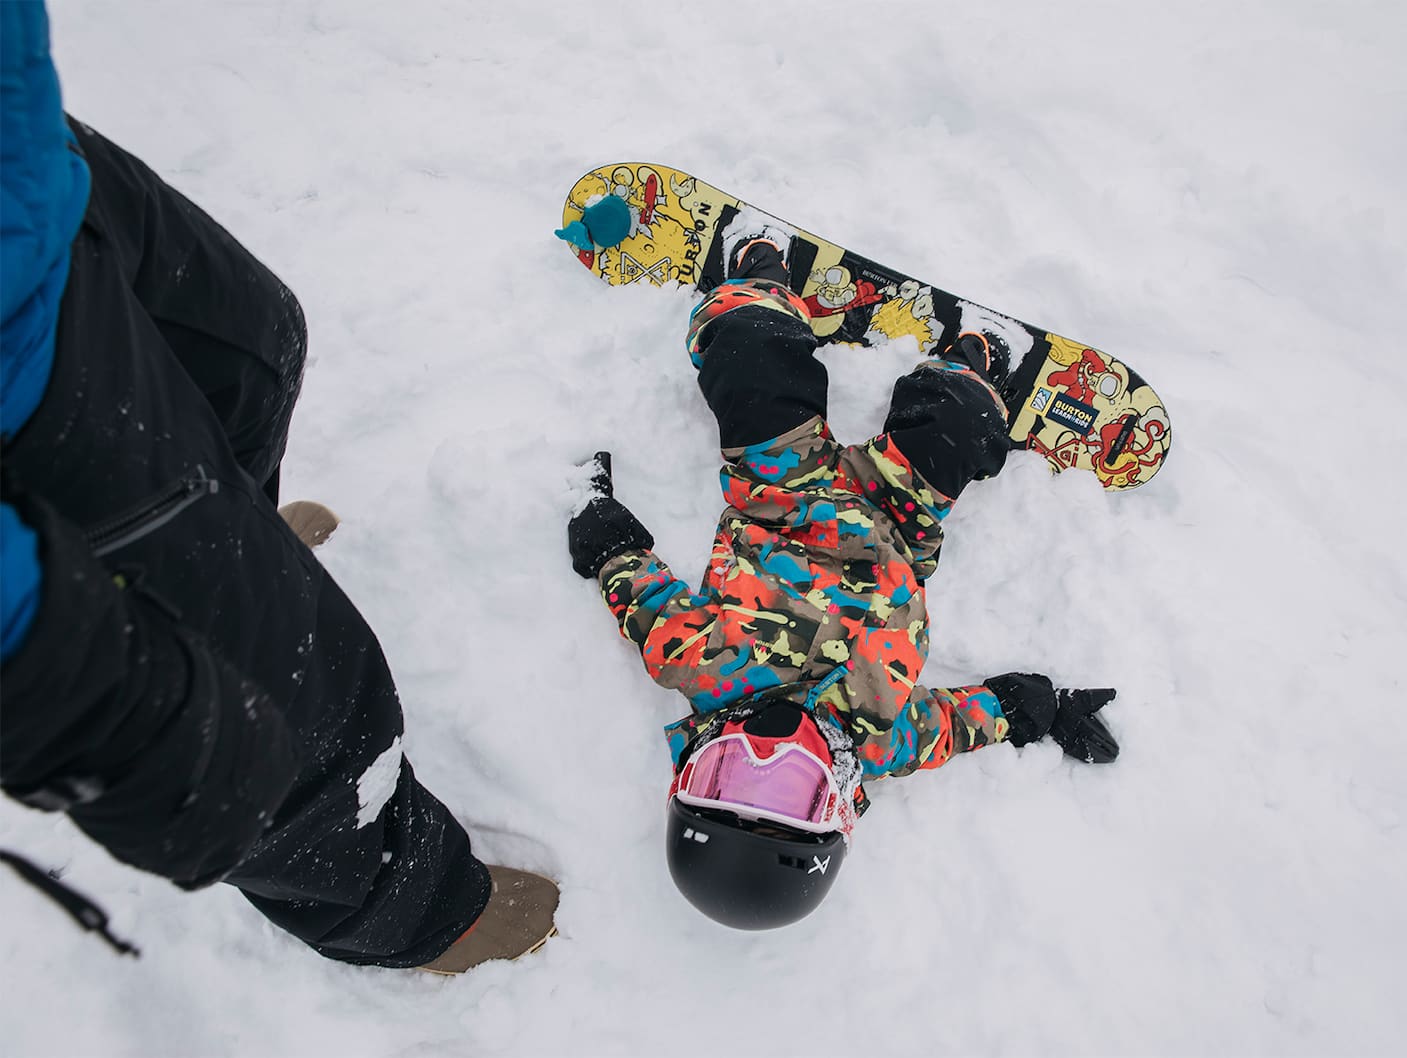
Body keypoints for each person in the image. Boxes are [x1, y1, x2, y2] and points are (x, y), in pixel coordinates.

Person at [0, 1, 553, 972]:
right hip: (24, 397)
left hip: (34, 172)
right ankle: (408, 906)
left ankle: (223, 538)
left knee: (252, 347)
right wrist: (55, 669)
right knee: (289, 704)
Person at [567, 223, 1121, 929]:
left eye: (733, 772)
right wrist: (1035, 709)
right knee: (958, 428)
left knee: (751, 361)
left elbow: (640, 596)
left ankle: (758, 276)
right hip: (897, 524)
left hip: (783, 494)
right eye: (791, 785)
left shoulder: (701, 666)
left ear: (693, 770)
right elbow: (960, 724)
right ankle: (973, 360)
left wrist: (604, 534)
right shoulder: (882, 738)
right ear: (834, 804)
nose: (773, 746)